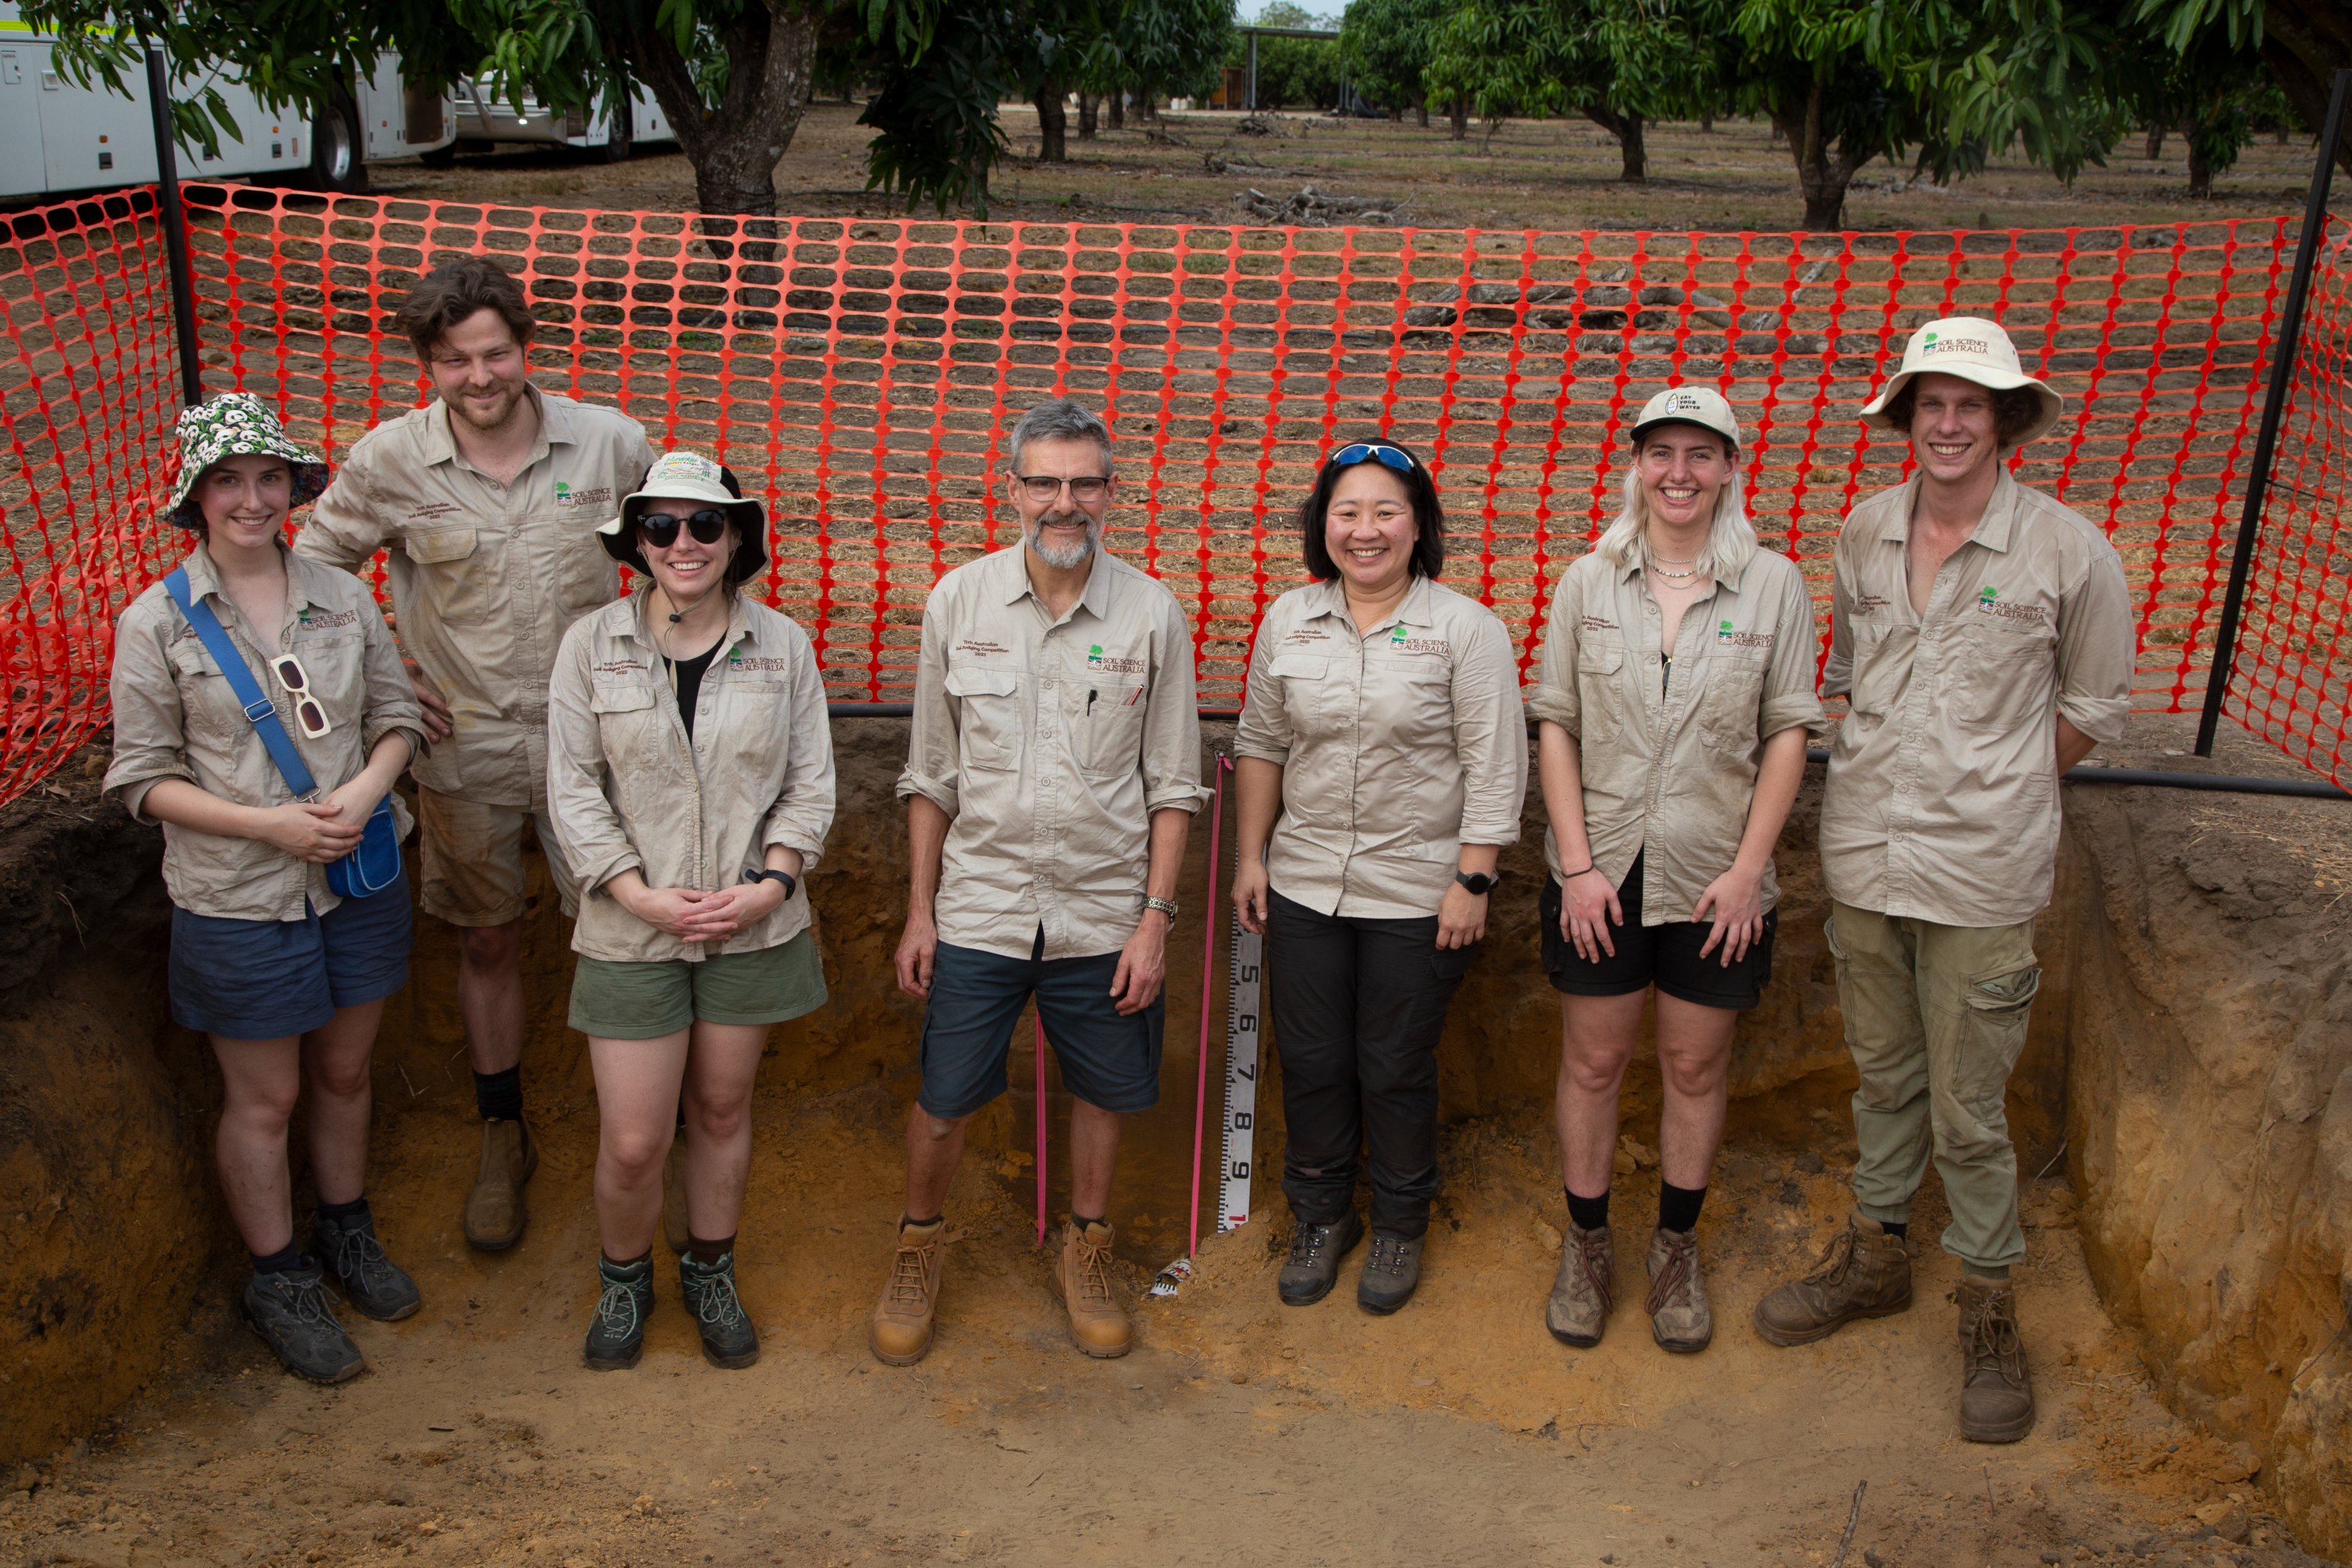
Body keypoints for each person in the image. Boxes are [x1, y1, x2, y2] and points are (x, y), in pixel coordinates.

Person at [1751, 318, 2134, 1444]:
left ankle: (1989, 1307)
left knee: (1972, 1110)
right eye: (1932, 405)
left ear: (2008, 421)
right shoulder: (1866, 530)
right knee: (1884, 1076)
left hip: (1981, 873)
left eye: (1972, 405)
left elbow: (2094, 710)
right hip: (1868, 854)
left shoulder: (2069, 555)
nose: (1951, 424)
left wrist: (2001, 781)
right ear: (1908, 421)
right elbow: (1853, 677)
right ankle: (1876, 1258)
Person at [296, 256, 658, 1254]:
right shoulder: (388, 462)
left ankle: (628, 1137)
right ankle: (504, 1134)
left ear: (526, 350)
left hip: (605, 743)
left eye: (495, 353)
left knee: (620, 933)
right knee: (487, 937)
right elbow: (314, 571)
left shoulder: (611, 443)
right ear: (428, 365)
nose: (479, 376)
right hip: (467, 746)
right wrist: (379, 674)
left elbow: (678, 555)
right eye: (454, 360)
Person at [105, 394, 426, 1383]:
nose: (252, 499)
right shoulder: (155, 623)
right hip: (239, 892)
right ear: (195, 497)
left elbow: (397, 713)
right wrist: (273, 827)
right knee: (266, 1095)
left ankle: (344, 1230)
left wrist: (366, 794)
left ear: (293, 489)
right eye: (229, 481)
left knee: (342, 1071)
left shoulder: (341, 592)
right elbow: (140, 780)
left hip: (359, 875)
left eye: (269, 479)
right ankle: (276, 1274)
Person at [877, 396, 1205, 1365]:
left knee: (1101, 1090)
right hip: (979, 906)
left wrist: (1154, 924)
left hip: (1104, 911)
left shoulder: (1151, 611)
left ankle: (1088, 1246)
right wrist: (919, 912)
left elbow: (1173, 783)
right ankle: (918, 1246)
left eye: (1085, 482)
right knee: (945, 1096)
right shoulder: (958, 602)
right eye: (1046, 482)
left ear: (1114, 491)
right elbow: (930, 775)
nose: (1066, 502)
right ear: (1012, 489)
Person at [1528, 388, 1824, 1354]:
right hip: (1601, 871)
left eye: (1703, 454)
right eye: (1664, 453)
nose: (1682, 474)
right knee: (1596, 1058)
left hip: (1714, 879)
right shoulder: (1588, 581)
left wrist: (1748, 872)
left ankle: (1676, 1248)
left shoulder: (1774, 586)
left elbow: (1787, 732)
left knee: (1695, 1063)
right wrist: (1575, 866)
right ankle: (1585, 1242)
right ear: (1637, 465)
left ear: (1731, 467)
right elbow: (1557, 723)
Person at [546, 449, 836, 1371]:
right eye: (662, 525)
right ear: (636, 540)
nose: (684, 542)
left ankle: (711, 1270)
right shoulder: (591, 646)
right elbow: (572, 789)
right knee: (634, 1140)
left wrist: (770, 886)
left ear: (736, 537)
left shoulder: (784, 646)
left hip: (751, 922)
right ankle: (625, 1282)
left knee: (718, 1107)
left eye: (705, 524)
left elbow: (810, 783)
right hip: (631, 927)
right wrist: (634, 892)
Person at [1230, 438, 1526, 1315]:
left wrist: (1473, 881)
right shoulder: (1289, 619)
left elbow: (1494, 764)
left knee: (1394, 1063)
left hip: (1418, 893)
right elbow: (1262, 744)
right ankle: (1322, 1216)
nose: (1366, 530)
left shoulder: (1467, 630)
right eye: (1348, 511)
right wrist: (1252, 856)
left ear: (1420, 525)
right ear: (1322, 525)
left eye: (1387, 511)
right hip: (1305, 882)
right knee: (1315, 1060)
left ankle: (1399, 1223)